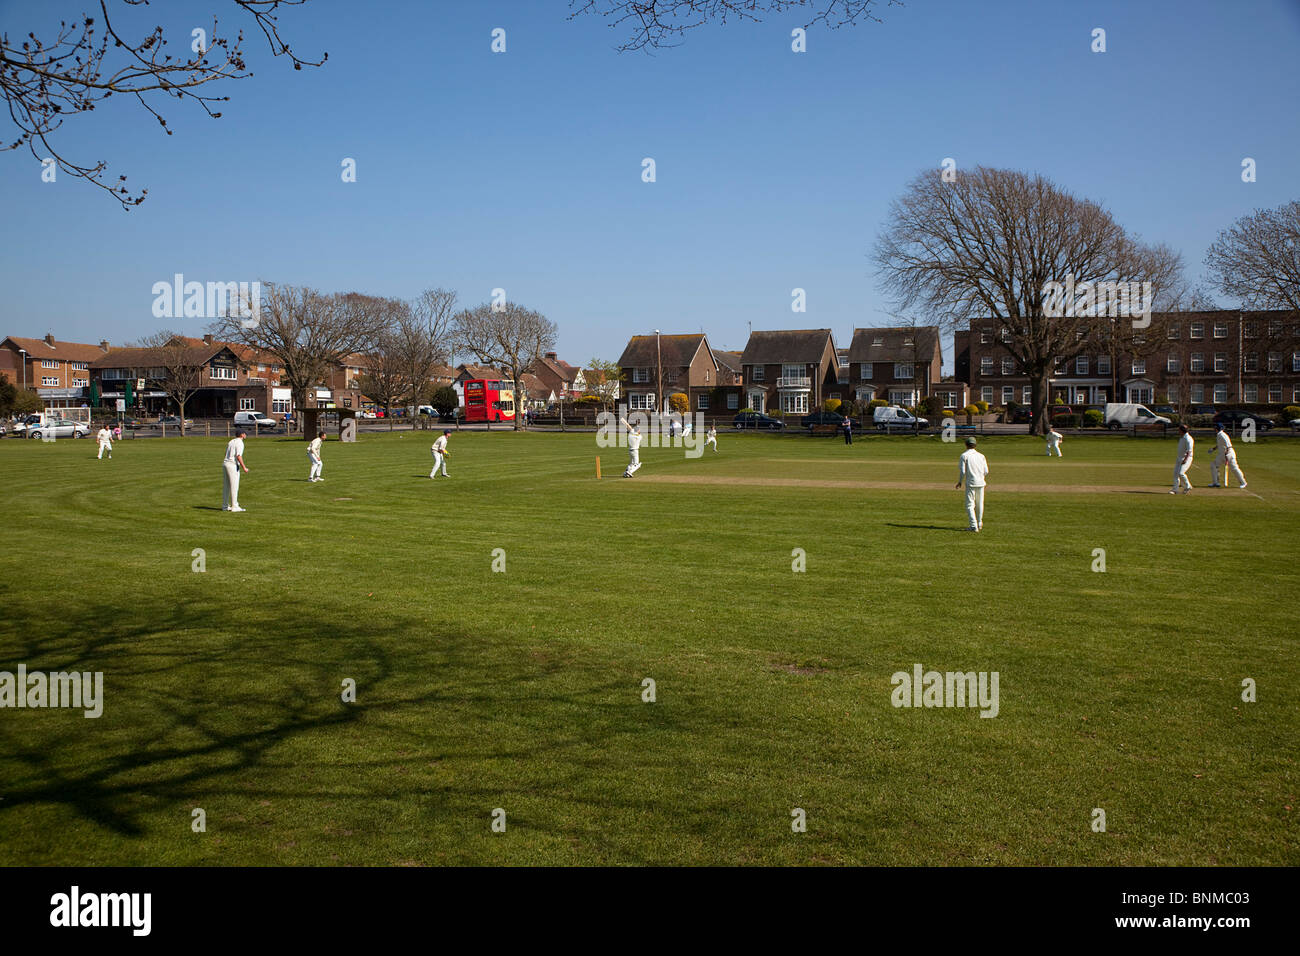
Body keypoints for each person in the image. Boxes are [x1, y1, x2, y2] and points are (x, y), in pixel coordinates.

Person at [956, 436, 989, 532]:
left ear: (966, 445)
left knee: (970, 505)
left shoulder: (964, 455)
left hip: (971, 483)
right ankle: (979, 523)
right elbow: (986, 471)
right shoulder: (981, 456)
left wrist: (959, 482)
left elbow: (962, 471)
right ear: (975, 445)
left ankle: (974, 526)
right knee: (979, 503)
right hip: (981, 482)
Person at [1209, 422, 1247, 489]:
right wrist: (1213, 449)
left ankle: (1243, 482)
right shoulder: (1219, 435)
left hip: (1229, 454)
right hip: (1221, 455)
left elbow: (1228, 446)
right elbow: (1220, 444)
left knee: (1234, 468)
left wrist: (1226, 456)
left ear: (1217, 428)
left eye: (1215, 427)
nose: (1214, 429)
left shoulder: (1222, 435)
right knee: (1213, 465)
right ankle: (1216, 483)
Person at [223, 430, 249, 512]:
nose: (246, 435)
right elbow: (238, 456)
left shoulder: (231, 441)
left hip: (225, 464)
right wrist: (244, 467)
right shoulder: (240, 443)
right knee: (234, 486)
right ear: (242, 435)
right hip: (232, 465)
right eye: (245, 433)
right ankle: (235, 506)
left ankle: (225, 506)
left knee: (226, 486)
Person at [1170, 424, 1194, 494]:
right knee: (1175, 474)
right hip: (1179, 458)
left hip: (1187, 458)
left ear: (1182, 430)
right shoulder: (1182, 437)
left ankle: (1188, 486)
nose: (1178, 431)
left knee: (1181, 473)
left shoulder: (1188, 439)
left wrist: (1185, 459)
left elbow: (1189, 451)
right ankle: (1175, 490)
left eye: (1179, 430)